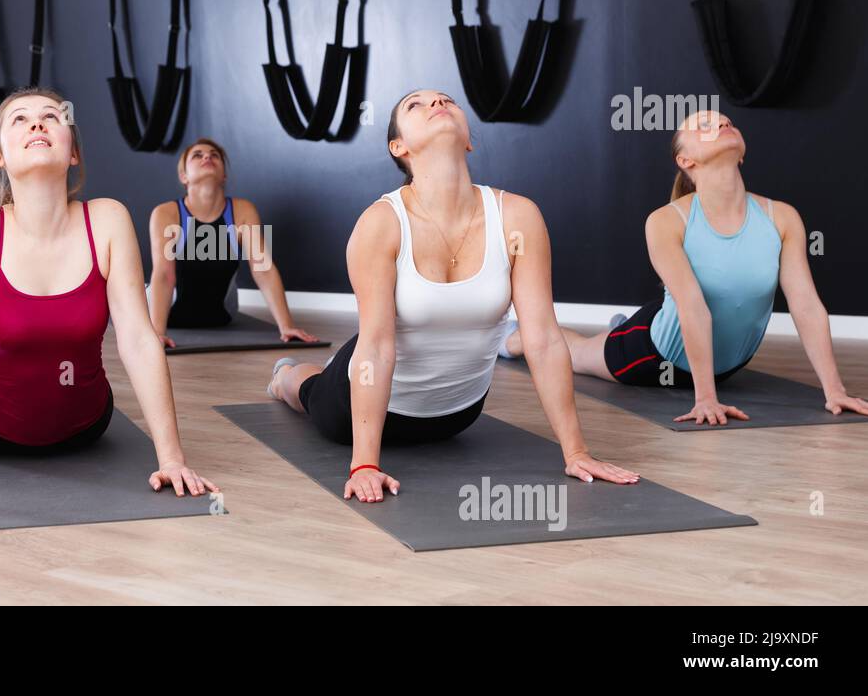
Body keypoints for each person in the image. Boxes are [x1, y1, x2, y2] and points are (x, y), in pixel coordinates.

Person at [267, 89, 639, 503]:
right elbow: (375, 346)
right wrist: (365, 464)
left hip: (456, 414)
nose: (436, 104)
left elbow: (545, 339)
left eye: (446, 100)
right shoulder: (381, 223)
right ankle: (285, 375)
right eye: (416, 105)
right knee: (311, 392)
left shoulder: (518, 216)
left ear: (468, 140)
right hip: (360, 404)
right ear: (399, 147)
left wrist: (577, 452)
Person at [0, 88, 219, 518]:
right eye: (18, 119)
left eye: (50, 117)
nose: (36, 123)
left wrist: (172, 459)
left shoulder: (108, 219)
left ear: (73, 152)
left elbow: (137, 338)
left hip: (83, 428)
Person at [502, 110, 868, 425]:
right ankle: (516, 339)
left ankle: (621, 325)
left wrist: (834, 390)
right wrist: (706, 398)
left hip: (725, 363)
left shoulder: (782, 217)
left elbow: (805, 305)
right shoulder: (666, 221)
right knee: (579, 356)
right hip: (657, 352)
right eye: (703, 126)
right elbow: (693, 306)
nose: (721, 122)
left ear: (741, 153)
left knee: (639, 323)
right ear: (685, 161)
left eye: (725, 121)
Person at [147, 137, 317, 347]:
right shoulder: (165, 213)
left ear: (224, 175)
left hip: (221, 314)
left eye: (214, 155)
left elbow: (263, 269)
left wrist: (287, 326)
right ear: (184, 176)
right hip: (168, 311)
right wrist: (155, 333)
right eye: (197, 155)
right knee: (144, 295)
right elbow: (164, 275)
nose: (207, 156)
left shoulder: (243, 211)